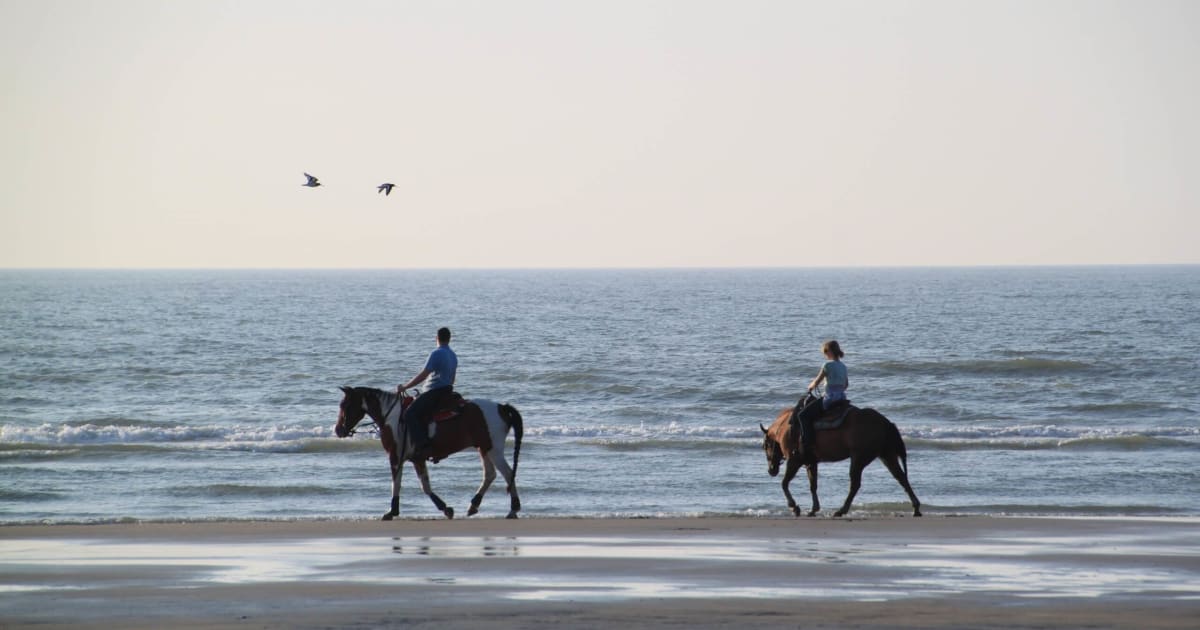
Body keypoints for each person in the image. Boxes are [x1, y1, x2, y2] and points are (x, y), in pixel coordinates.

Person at [397, 327, 457, 459]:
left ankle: (422, 446)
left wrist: (405, 387)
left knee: (409, 414)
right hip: (447, 390)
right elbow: (452, 379)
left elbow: (424, 375)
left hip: (434, 392)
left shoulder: (436, 353)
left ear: (436, 339)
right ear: (449, 339)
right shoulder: (453, 355)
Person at [792, 340, 848, 462]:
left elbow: (817, 381)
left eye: (825, 352)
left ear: (830, 352)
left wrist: (810, 387)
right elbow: (846, 385)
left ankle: (808, 443)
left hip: (830, 398)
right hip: (842, 397)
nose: (825, 355)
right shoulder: (843, 366)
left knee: (803, 415)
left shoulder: (827, 365)